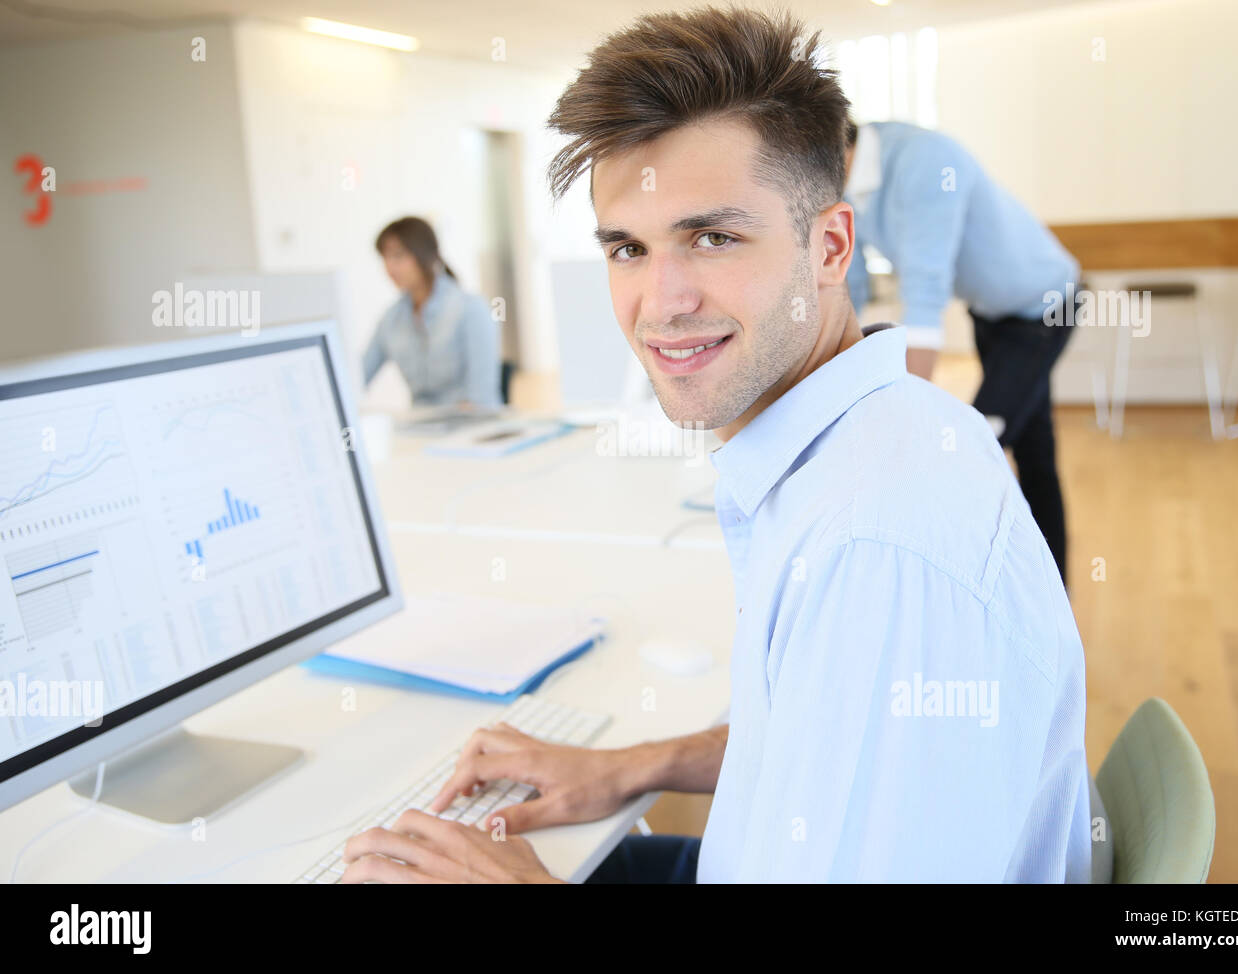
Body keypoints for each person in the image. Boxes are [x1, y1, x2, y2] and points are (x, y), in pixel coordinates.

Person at [337, 7, 1092, 884]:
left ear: (831, 247)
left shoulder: (878, 545)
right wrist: (632, 766)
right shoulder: (840, 448)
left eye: (713, 237)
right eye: (628, 247)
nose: (662, 302)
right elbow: (813, 735)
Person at [842, 120, 1080, 584]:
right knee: (1036, 454)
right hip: (991, 313)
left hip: (1045, 307)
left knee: (972, 453)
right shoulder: (846, 183)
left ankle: (996, 602)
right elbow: (852, 285)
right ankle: (1055, 602)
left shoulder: (923, 159)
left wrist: (902, 416)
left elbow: (925, 288)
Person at [362, 216, 503, 409]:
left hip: (471, 427)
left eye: (398, 255)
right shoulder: (391, 319)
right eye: (385, 258)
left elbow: (480, 398)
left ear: (423, 254)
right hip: (420, 429)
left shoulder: (470, 309)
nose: (389, 267)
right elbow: (358, 377)